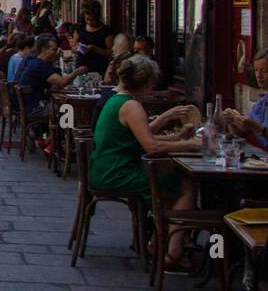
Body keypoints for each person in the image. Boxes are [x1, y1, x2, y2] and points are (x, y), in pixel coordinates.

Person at [90, 57, 200, 268]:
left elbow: (142, 138)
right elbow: (151, 146)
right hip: (117, 173)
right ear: (148, 82)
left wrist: (178, 139)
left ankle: (158, 244)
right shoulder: (131, 106)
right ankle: (172, 253)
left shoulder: (116, 100)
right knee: (185, 187)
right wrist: (191, 145)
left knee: (171, 183)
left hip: (106, 169)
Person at [18, 34, 88, 118]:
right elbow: (61, 82)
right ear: (44, 49)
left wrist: (55, 61)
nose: (56, 52)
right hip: (35, 107)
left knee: (65, 104)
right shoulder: (38, 65)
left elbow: (55, 86)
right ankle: (67, 130)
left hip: (35, 104)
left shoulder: (41, 63)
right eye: (54, 50)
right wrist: (77, 72)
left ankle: (64, 129)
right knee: (69, 108)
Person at [224, 47, 268, 150]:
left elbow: (254, 126)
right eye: (256, 70)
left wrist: (255, 126)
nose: (258, 75)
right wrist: (231, 122)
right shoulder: (261, 102)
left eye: (264, 71)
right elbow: (241, 131)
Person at [78, 0, 115, 77]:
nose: (90, 22)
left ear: (98, 17)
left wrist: (94, 48)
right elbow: (74, 47)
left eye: (93, 20)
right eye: (87, 19)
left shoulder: (106, 31)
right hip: (81, 68)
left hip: (98, 69)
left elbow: (111, 53)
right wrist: (78, 48)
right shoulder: (80, 28)